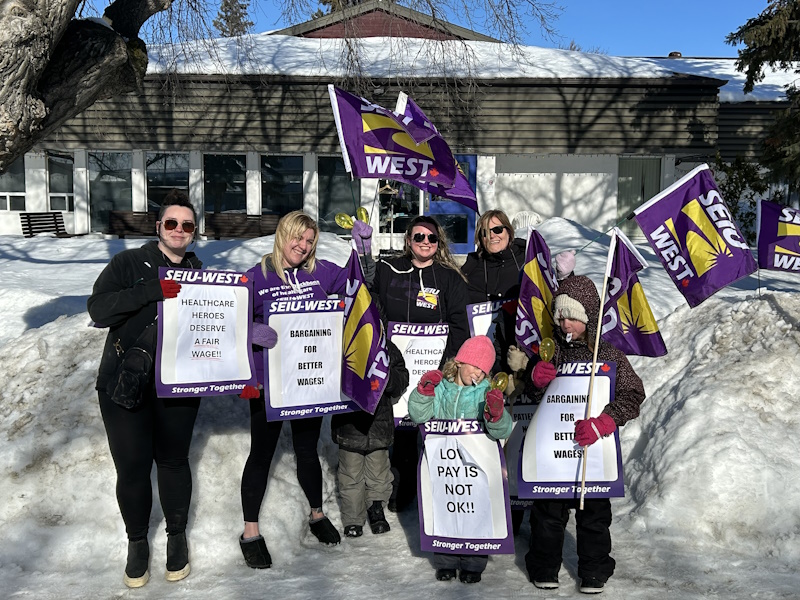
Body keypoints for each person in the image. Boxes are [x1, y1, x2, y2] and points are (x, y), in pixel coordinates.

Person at [87, 190, 202, 588]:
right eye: (171, 223)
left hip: (178, 384)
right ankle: (137, 543)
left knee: (173, 461)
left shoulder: (200, 273)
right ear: (158, 227)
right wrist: (151, 290)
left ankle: (176, 536)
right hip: (125, 381)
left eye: (187, 225)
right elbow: (98, 309)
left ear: (194, 232)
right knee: (133, 467)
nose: (179, 230)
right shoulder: (128, 262)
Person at [238, 210, 357, 568]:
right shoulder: (257, 276)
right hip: (268, 381)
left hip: (309, 380)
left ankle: (317, 514)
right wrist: (251, 331)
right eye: (298, 238)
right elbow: (227, 316)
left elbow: (355, 287)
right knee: (262, 452)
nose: (303, 247)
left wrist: (362, 250)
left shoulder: (319, 273)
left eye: (310, 242)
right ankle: (250, 531)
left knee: (307, 450)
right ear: (283, 234)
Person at [523, 275, 645, 594]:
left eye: (573, 317)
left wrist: (606, 421)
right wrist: (536, 380)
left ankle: (594, 569)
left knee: (594, 516)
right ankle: (544, 566)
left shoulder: (609, 355)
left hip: (594, 453)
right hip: (556, 453)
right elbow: (534, 400)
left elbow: (633, 394)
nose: (565, 323)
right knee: (548, 514)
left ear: (588, 317)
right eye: (560, 316)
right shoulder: (550, 352)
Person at [369, 215, 470, 512]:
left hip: (435, 366)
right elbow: (368, 296)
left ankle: (440, 489)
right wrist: (364, 253)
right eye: (419, 237)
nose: (425, 242)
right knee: (402, 428)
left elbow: (459, 324)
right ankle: (402, 488)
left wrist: (448, 367)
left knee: (433, 429)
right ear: (408, 241)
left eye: (431, 238)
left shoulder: (449, 277)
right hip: (397, 363)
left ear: (438, 243)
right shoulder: (390, 270)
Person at [407, 335, 512, 584]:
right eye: (474, 365)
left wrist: (496, 414)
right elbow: (418, 415)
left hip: (475, 468)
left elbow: (503, 431)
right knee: (446, 507)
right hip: (446, 467)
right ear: (460, 362)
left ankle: (474, 562)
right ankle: (446, 561)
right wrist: (423, 392)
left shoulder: (487, 392)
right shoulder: (441, 388)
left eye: (483, 369)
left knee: (475, 510)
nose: (477, 372)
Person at [331, 337, 409, 538]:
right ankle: (353, 518)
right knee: (350, 475)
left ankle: (376, 510)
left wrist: (387, 378)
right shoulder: (342, 344)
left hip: (379, 425)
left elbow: (402, 378)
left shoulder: (387, 348)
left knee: (379, 474)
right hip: (349, 424)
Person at [460, 209, 526, 388]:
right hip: (484, 360)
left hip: (520, 354)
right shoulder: (471, 269)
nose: (492, 236)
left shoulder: (526, 260)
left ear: (509, 232)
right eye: (485, 232)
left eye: (497, 230)